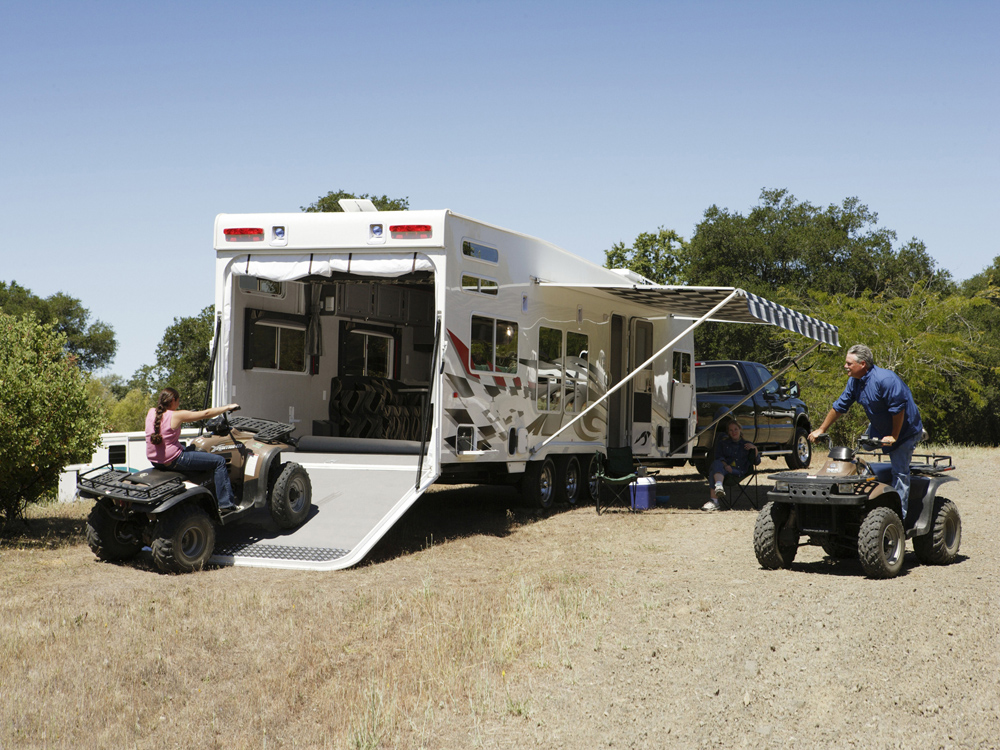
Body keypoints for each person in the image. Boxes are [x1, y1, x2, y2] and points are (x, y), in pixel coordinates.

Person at [808, 344, 923, 520]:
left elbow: (898, 410)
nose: (845, 366)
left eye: (848, 363)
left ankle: (899, 518)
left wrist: (894, 436)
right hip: (880, 427)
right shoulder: (854, 381)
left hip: (904, 430)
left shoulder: (885, 380)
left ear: (862, 364)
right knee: (862, 451)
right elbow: (840, 406)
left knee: (899, 472)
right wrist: (821, 429)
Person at [145, 387, 241, 511]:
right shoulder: (177, 415)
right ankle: (226, 504)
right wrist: (228, 407)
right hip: (173, 460)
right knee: (219, 462)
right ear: (173, 400)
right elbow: (205, 414)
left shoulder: (151, 411)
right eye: (178, 401)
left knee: (190, 448)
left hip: (155, 461)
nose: (179, 404)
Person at [701, 420, 760, 511]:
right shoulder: (723, 443)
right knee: (716, 464)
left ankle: (714, 501)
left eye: (736, 429)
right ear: (728, 432)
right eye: (731, 430)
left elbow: (757, 462)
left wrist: (755, 449)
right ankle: (719, 486)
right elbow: (719, 457)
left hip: (739, 471)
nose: (734, 432)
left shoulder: (747, 445)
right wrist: (726, 466)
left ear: (740, 430)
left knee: (714, 469)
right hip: (724, 470)